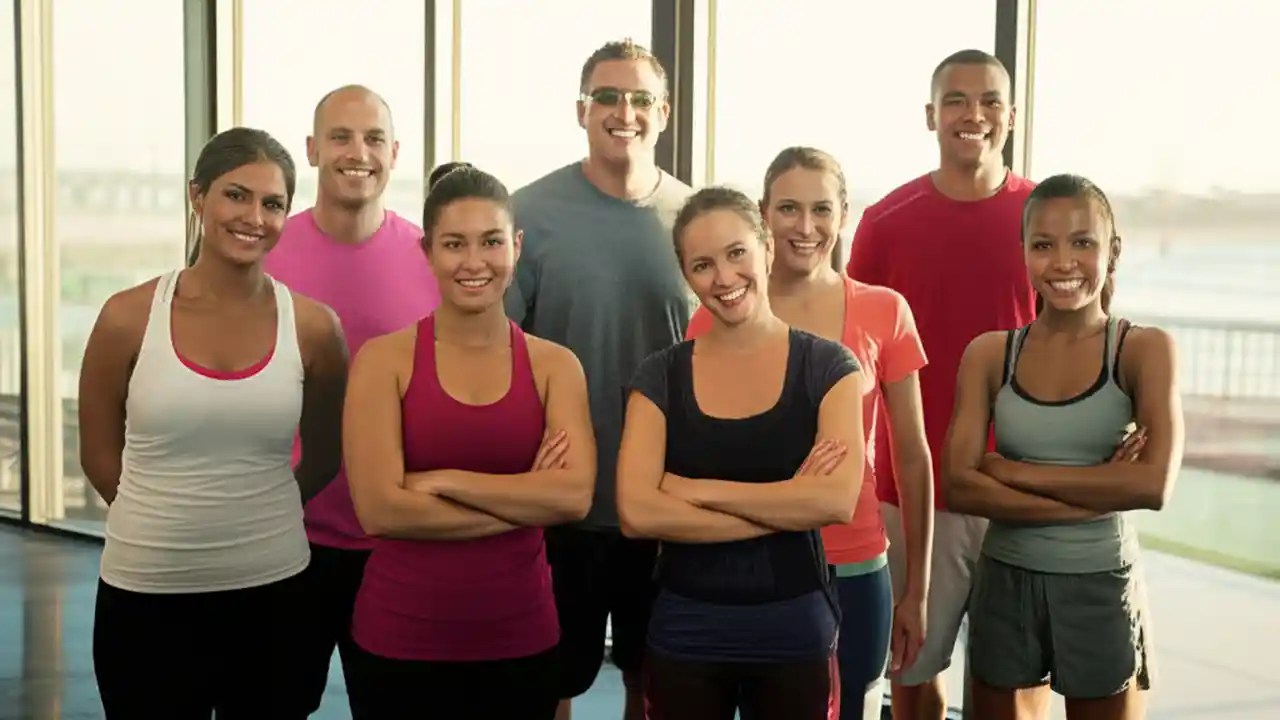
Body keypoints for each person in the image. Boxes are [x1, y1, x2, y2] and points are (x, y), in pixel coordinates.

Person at [79, 127, 349, 718]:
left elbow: (327, 457)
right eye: (236, 195)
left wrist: (257, 506)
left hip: (275, 593)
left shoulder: (314, 328)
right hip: (145, 594)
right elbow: (99, 455)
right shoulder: (126, 317)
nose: (254, 216)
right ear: (197, 197)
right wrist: (167, 517)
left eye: (272, 203)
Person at [687, 147, 934, 719]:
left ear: (844, 214)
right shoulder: (715, 315)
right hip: (745, 568)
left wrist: (916, 592)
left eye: (821, 209)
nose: (805, 227)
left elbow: (913, 457)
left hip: (854, 571)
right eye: (789, 208)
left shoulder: (884, 311)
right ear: (762, 214)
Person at [341, 165, 596, 719]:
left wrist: (445, 483)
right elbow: (381, 510)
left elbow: (573, 498)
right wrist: (527, 499)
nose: (474, 262)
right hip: (399, 639)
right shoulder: (383, 361)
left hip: (520, 637)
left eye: (491, 242)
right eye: (455, 244)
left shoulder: (556, 366)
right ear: (427, 251)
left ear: (517, 246)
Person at [617, 186, 865, 719]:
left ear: (767, 249)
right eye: (703, 265)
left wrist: (695, 491)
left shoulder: (830, 369)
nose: (724, 278)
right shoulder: (659, 375)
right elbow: (638, 513)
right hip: (686, 627)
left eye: (736, 254)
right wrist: (788, 504)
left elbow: (835, 502)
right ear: (686, 275)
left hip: (794, 626)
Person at [944, 173, 1181, 719]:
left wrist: (1013, 472)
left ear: (1112, 250)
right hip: (1006, 581)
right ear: (1024, 253)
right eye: (1043, 245)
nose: (1063, 262)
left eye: (1082, 242)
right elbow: (959, 484)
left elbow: (1151, 485)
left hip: (1100, 583)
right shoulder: (989, 353)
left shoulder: (1143, 349)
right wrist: (1101, 488)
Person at [503, 38, 693, 720]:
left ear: (663, 112)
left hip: (667, 503)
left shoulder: (696, 220)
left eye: (640, 98)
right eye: (607, 97)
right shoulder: (526, 215)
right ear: (582, 110)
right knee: (555, 680)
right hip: (562, 503)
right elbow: (496, 354)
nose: (624, 111)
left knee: (654, 681)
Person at [845, 49, 1037, 720]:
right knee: (913, 674)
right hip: (912, 494)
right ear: (931, 115)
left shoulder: (1045, 223)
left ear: (1010, 115)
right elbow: (850, 352)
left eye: (988, 100)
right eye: (955, 100)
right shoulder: (886, 222)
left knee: (1016, 683)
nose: (972, 114)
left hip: (1020, 490)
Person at [262, 84, 441, 711]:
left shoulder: (432, 259)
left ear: (394, 152)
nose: (356, 152)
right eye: (340, 136)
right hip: (286, 538)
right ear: (312, 149)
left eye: (371, 139)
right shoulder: (263, 254)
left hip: (395, 543)